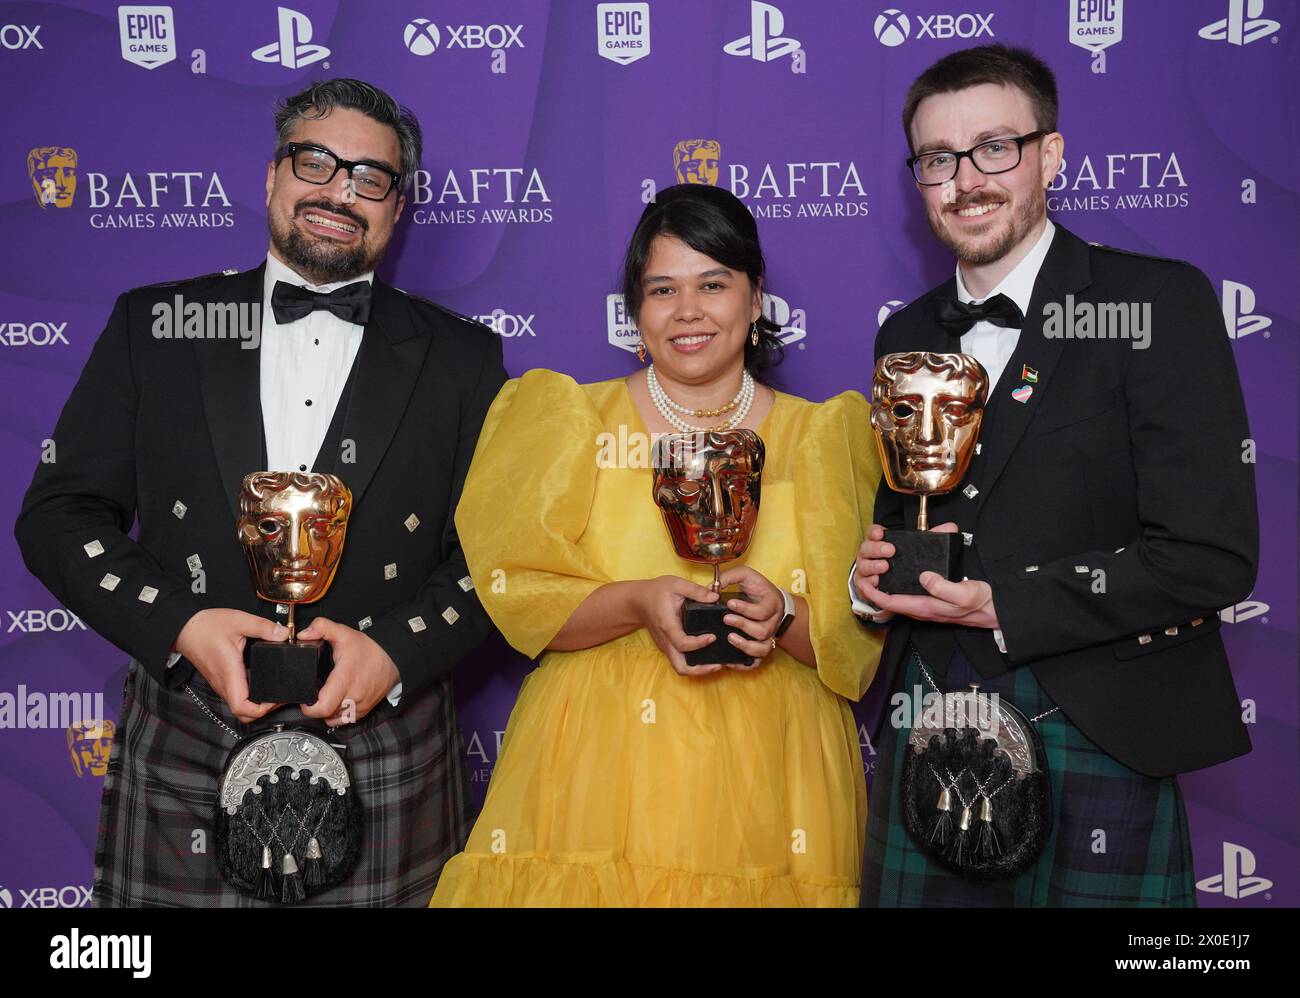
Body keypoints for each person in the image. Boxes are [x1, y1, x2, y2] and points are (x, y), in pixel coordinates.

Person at [16, 78, 507, 907]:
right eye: (315, 162)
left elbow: (499, 557)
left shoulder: (465, 361)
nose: (338, 192)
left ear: (397, 207)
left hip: (387, 743)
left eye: (369, 177)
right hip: (187, 735)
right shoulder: (156, 326)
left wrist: (398, 649)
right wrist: (181, 623)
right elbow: (59, 514)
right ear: (272, 176)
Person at [851, 45, 1257, 907]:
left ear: (1052, 154)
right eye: (937, 160)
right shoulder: (905, 334)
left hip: (1100, 723)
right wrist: (874, 579)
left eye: (995, 146)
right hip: (930, 712)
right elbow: (909, 515)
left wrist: (1008, 602)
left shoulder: (1154, 304)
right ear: (917, 179)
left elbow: (1210, 557)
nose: (966, 180)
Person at [432, 184, 884, 906]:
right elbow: (522, 602)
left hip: (773, 776)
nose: (688, 312)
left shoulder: (825, 437)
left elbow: (855, 644)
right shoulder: (570, 419)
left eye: (714, 284)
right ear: (636, 311)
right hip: (594, 774)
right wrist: (640, 601)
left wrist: (785, 615)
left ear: (756, 298)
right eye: (662, 289)